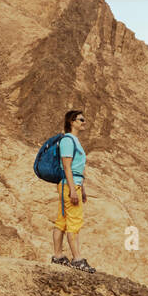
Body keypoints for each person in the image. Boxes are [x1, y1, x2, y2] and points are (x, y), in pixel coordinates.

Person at [50, 109, 95, 272]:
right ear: (72, 122)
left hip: (71, 184)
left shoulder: (73, 140)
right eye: (81, 119)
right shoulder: (68, 141)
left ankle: (58, 256)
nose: (84, 122)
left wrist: (81, 189)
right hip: (69, 185)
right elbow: (67, 166)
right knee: (74, 222)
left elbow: (77, 168)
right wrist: (73, 190)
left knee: (62, 220)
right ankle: (77, 259)